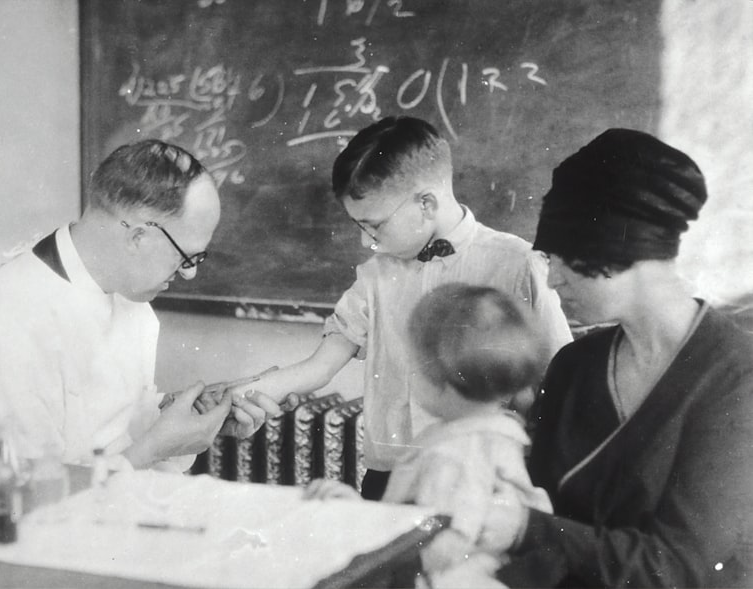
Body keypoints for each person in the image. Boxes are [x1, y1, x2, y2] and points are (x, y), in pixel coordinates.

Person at [211, 116, 572, 499]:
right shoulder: (375, 275)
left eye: (375, 226)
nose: (366, 242)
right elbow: (320, 366)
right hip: (391, 473)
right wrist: (241, 394)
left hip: (478, 474)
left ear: (426, 203)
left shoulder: (517, 264)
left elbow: (560, 376)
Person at [491, 128, 753, 587]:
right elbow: (542, 508)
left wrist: (523, 526)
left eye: (562, 258)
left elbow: (678, 565)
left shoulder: (737, 377)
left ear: (616, 250)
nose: (552, 281)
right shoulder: (573, 366)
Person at [0, 139, 279, 472]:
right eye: (186, 257)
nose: (190, 274)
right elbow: (20, 491)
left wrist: (184, 418)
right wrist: (154, 449)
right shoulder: (5, 323)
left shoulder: (126, 291)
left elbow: (107, 425)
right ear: (138, 237)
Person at [305, 282, 553, 588]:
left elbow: (436, 546)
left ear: (440, 380)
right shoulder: (497, 435)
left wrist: (363, 535)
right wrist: (364, 513)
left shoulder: (453, 455)